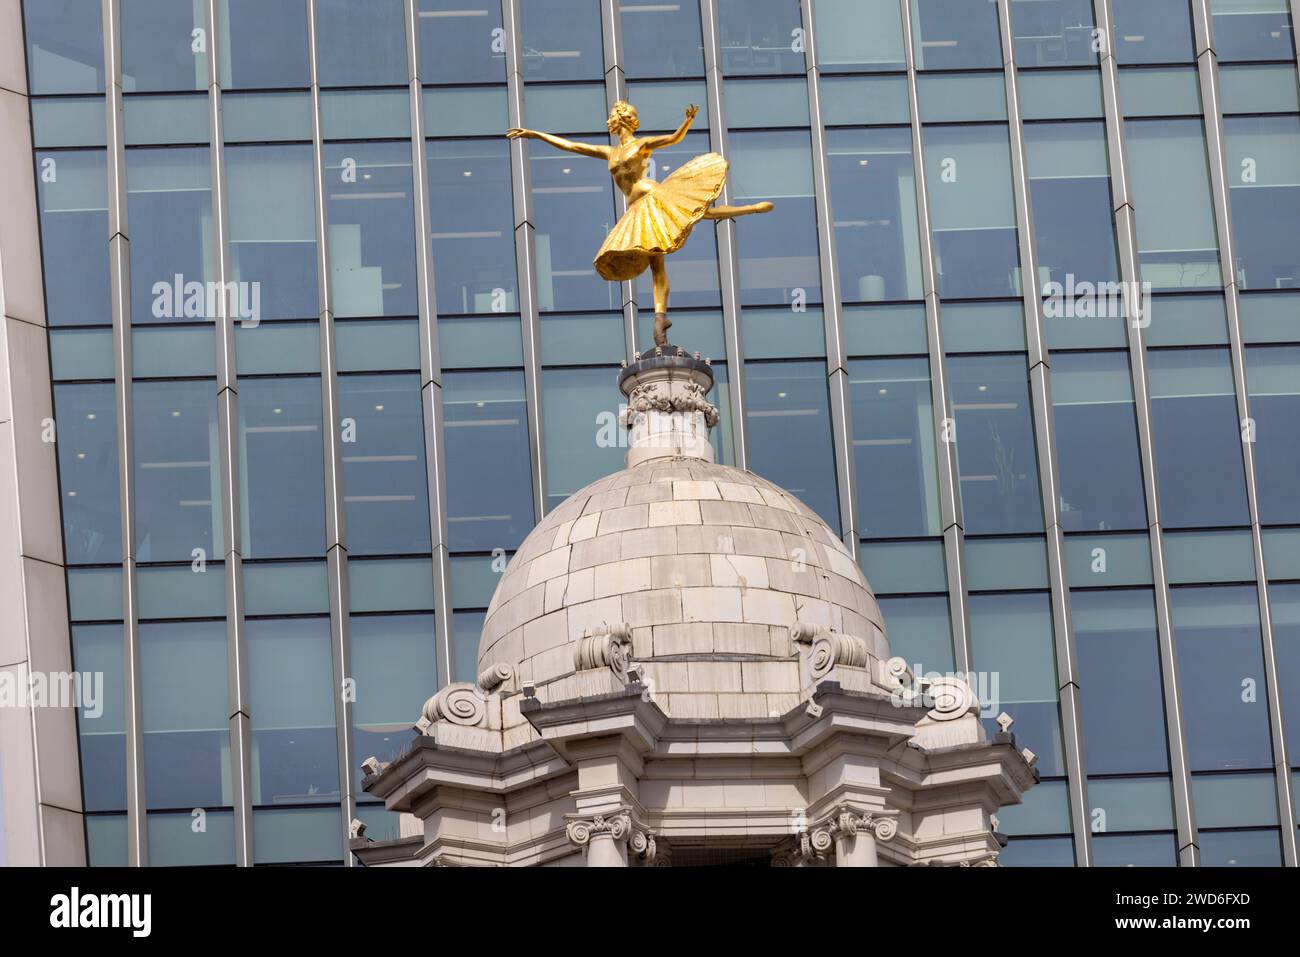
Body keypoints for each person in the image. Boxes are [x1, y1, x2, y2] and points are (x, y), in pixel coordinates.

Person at [507, 101, 773, 346]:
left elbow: (671, 139)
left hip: (651, 194)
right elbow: (571, 146)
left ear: (623, 120)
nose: (609, 120)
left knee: (698, 212)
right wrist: (535, 134)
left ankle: (751, 208)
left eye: (614, 116)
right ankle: (660, 317)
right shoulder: (608, 151)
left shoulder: (641, 144)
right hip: (636, 208)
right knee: (657, 259)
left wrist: (687, 122)